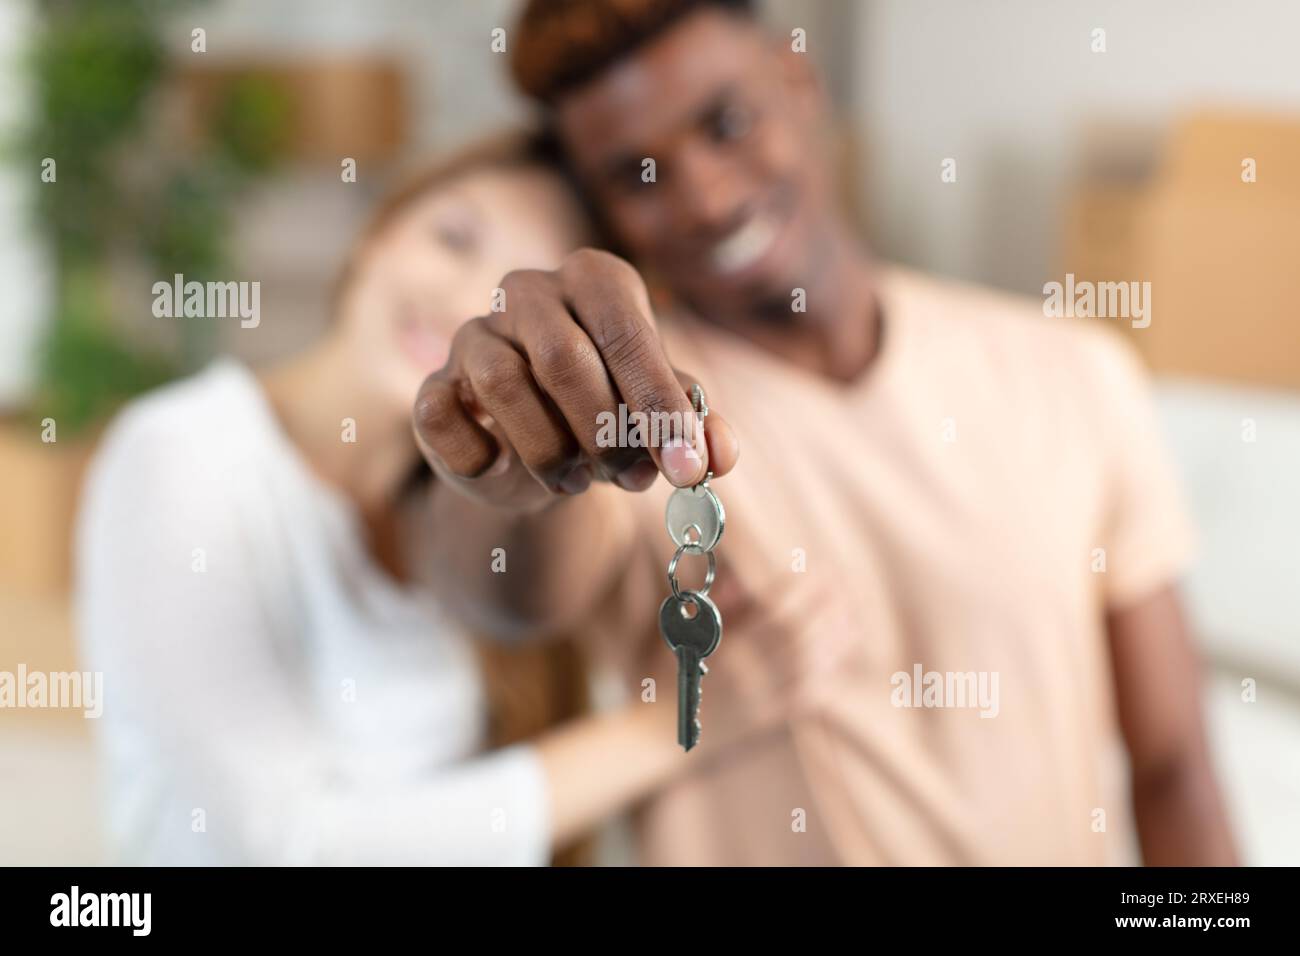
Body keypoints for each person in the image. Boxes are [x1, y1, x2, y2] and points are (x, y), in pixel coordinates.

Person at [410, 0, 1238, 865]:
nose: (708, 197)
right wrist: (513, 478)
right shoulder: (631, 415)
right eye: (638, 176)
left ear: (798, 82)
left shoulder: (1074, 372)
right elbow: (503, 599)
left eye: (726, 123)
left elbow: (1174, 764)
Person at [75, 132, 842, 866]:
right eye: (453, 238)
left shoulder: (487, 518)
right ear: (378, 233)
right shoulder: (182, 451)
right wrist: (670, 731)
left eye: (518, 297)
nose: (465, 309)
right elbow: (265, 852)